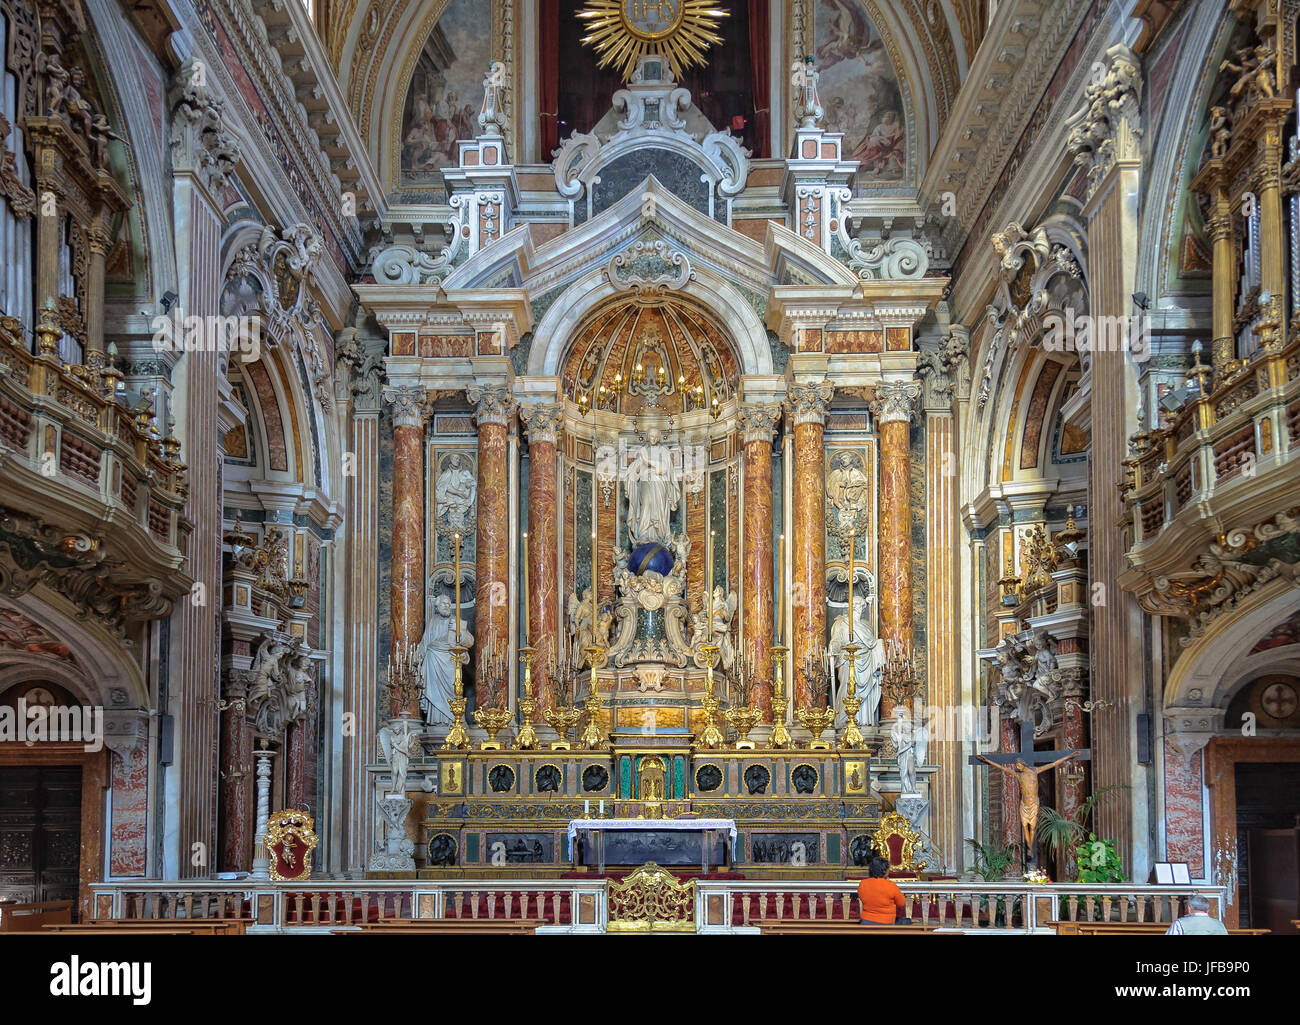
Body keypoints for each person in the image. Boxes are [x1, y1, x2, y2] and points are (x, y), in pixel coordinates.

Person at [857, 855, 908, 925]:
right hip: (886, 922)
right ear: (884, 871)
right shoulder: (891, 885)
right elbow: (901, 903)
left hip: (866, 921)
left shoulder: (862, 884)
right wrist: (887, 882)